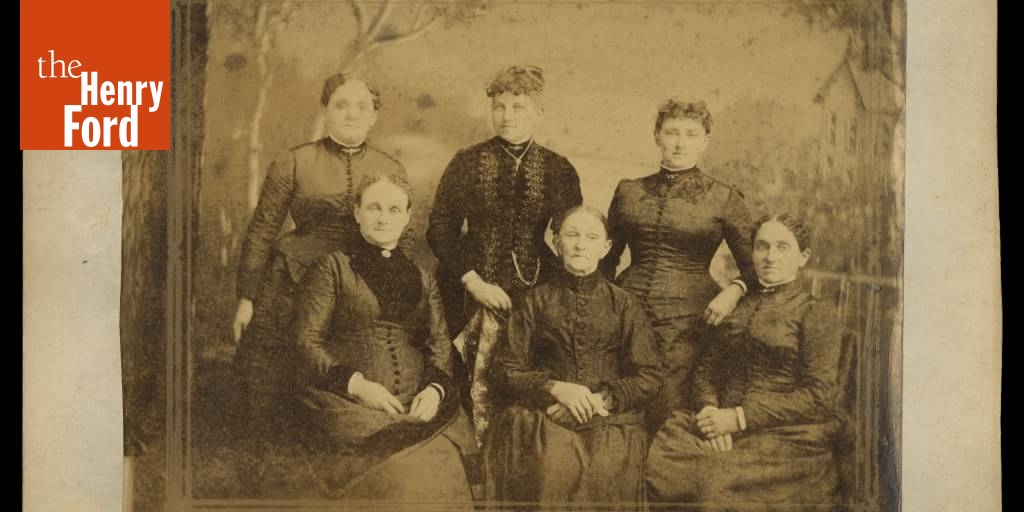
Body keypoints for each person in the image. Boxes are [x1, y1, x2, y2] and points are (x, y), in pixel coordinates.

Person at [231, 73, 409, 429]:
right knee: (267, 370)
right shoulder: (294, 161)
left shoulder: (389, 168)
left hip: (357, 279)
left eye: (361, 107)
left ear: (374, 115)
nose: (350, 114)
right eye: (341, 105)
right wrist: (247, 296)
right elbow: (263, 229)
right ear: (325, 110)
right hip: (292, 278)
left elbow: (402, 237)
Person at [291, 173, 477, 501]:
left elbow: (439, 345)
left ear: (407, 218)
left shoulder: (422, 276)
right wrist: (358, 386)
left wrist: (434, 392)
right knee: (404, 475)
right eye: (374, 208)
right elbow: (306, 341)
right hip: (349, 404)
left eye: (393, 210)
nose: (383, 217)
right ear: (357, 212)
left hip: (416, 402)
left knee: (448, 465)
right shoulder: (332, 268)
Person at [645, 213, 843, 506]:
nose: (770, 256)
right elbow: (706, 370)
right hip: (719, 422)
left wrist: (738, 419)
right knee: (660, 464)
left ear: (803, 256)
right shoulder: (733, 307)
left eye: (782, 247)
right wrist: (710, 412)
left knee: (711, 482)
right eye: (762, 247)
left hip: (784, 436)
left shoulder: (814, 312)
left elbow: (819, 395)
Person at [484, 205, 663, 509]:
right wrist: (555, 389)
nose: (581, 244)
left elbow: (649, 375)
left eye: (591, 237)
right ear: (556, 242)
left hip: (609, 417)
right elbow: (504, 369)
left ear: (606, 248)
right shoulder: (533, 301)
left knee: (607, 467)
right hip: (545, 415)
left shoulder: (624, 305)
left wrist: (599, 401)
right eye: (572, 235)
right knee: (552, 465)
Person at [600, 99, 758, 432]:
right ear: (657, 135)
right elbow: (606, 262)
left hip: (689, 324)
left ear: (705, 141)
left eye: (691, 134)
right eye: (671, 132)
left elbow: (756, 266)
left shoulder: (724, 197)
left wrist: (734, 289)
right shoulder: (629, 191)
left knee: (667, 412)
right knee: (617, 407)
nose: (680, 143)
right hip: (626, 315)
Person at [426, 64, 583, 342]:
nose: (506, 116)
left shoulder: (558, 169)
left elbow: (571, 235)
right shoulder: (467, 161)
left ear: (538, 114)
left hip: (535, 286)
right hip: (467, 286)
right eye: (499, 107)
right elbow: (440, 228)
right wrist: (473, 282)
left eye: (518, 107)